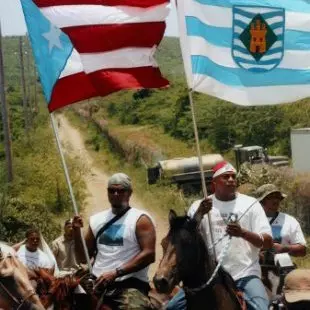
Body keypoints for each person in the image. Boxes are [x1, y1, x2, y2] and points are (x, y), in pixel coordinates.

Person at [167, 161, 273, 310]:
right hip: (209, 277)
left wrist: (242, 233)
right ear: (214, 183)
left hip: (244, 274)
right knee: (172, 308)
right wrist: (199, 214)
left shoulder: (251, 204)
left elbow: (267, 242)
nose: (231, 180)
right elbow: (186, 239)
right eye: (225, 177)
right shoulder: (200, 205)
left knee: (261, 307)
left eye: (233, 176)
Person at [73, 172, 156, 309]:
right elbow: (83, 257)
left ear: (129, 193)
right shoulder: (96, 220)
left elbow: (149, 254)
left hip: (128, 285)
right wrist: (77, 232)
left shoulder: (141, 219)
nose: (116, 194)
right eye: (112, 190)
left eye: (121, 190)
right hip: (96, 283)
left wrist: (115, 273)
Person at [255, 184, 307, 257]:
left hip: (281, 267)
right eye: (271, 197)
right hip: (253, 267)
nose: (276, 200)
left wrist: (284, 248)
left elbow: (302, 250)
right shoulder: (250, 219)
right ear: (261, 200)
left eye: (278, 197)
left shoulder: (290, 221)